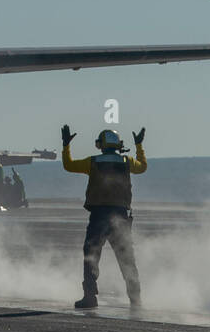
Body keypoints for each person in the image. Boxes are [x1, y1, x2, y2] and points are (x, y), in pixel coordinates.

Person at [61, 125, 147, 310]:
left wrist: (66, 145)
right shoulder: (127, 161)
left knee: (91, 255)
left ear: (101, 145)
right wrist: (139, 146)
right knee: (127, 260)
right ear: (118, 145)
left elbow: (68, 165)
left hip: (99, 215)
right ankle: (136, 300)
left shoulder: (93, 161)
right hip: (120, 216)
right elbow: (143, 167)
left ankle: (90, 297)